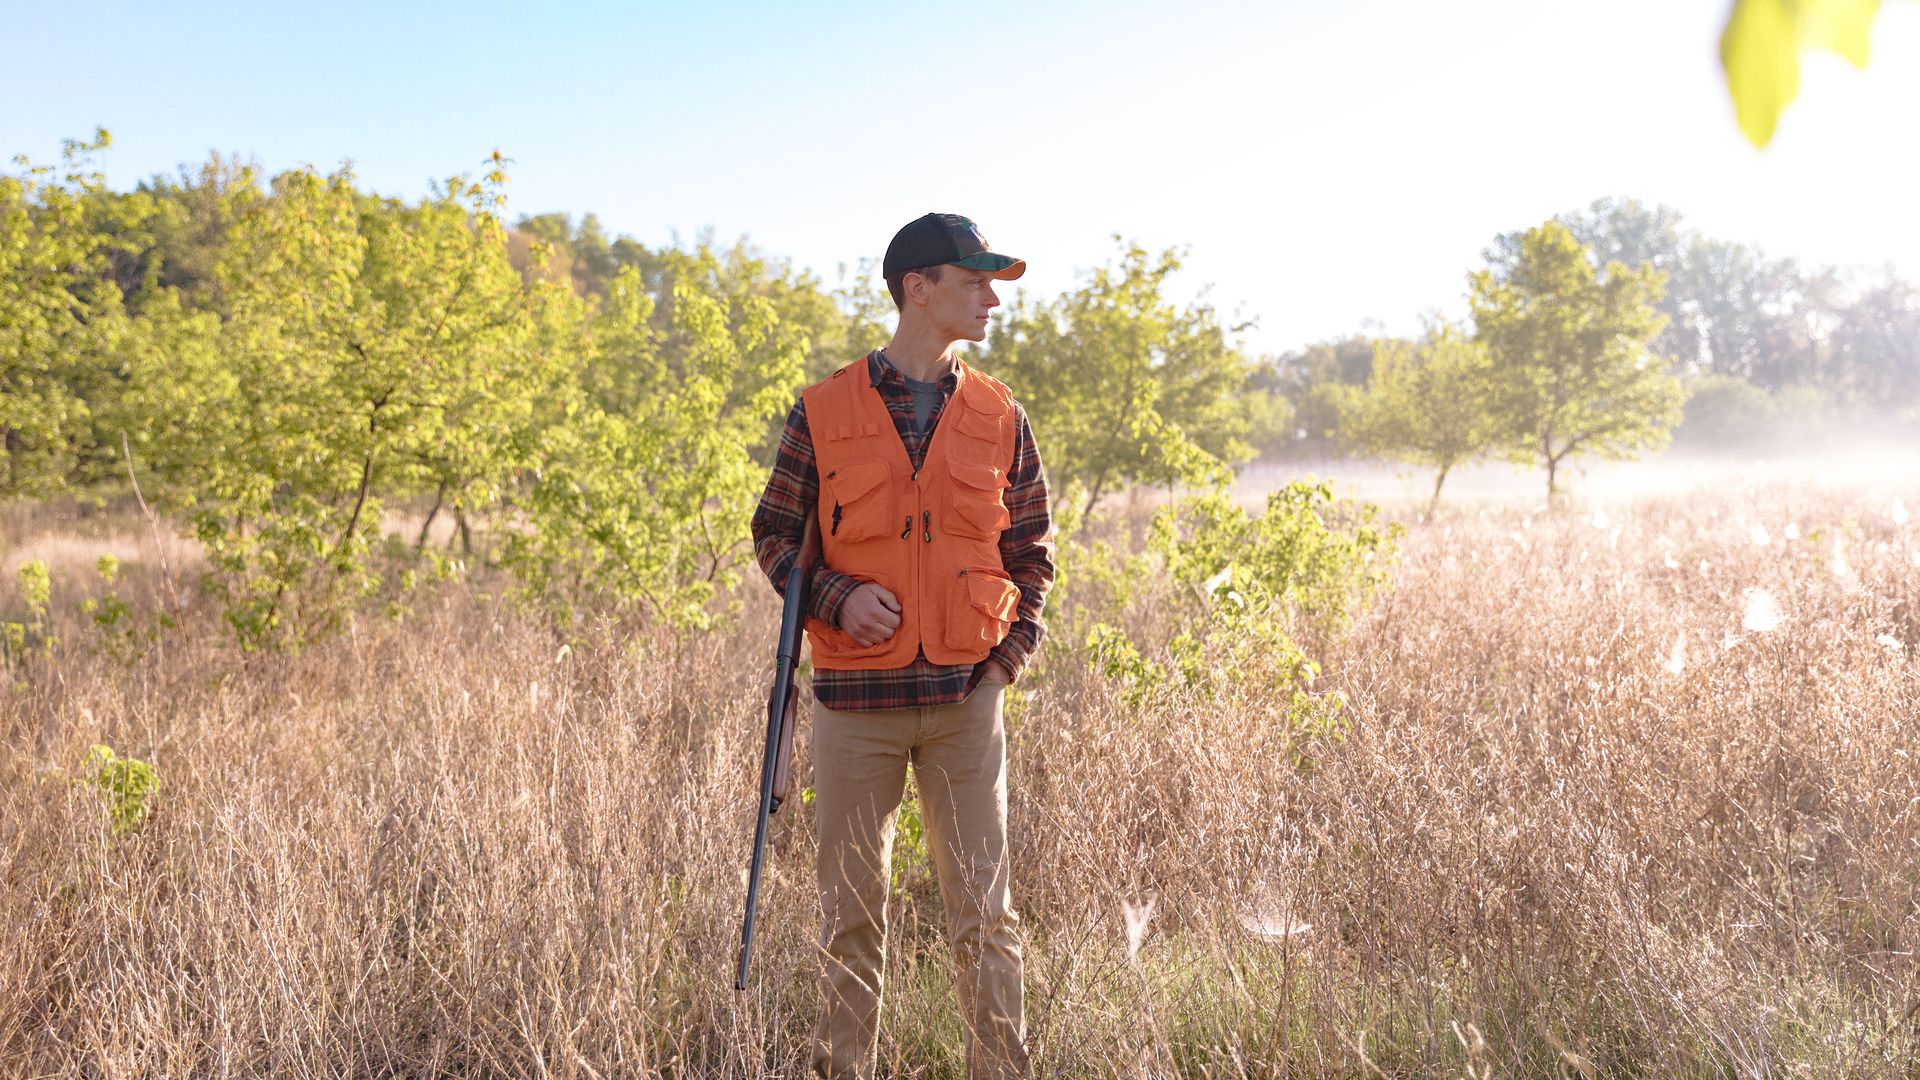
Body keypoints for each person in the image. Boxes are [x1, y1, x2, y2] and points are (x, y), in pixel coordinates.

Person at [751, 212, 1055, 1078]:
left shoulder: (1000, 412)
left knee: (986, 916)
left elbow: (1032, 553)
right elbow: (775, 536)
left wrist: (1004, 665)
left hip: (966, 705)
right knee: (850, 920)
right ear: (917, 288)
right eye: (974, 281)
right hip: (856, 709)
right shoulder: (823, 409)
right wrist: (837, 598)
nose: (992, 298)